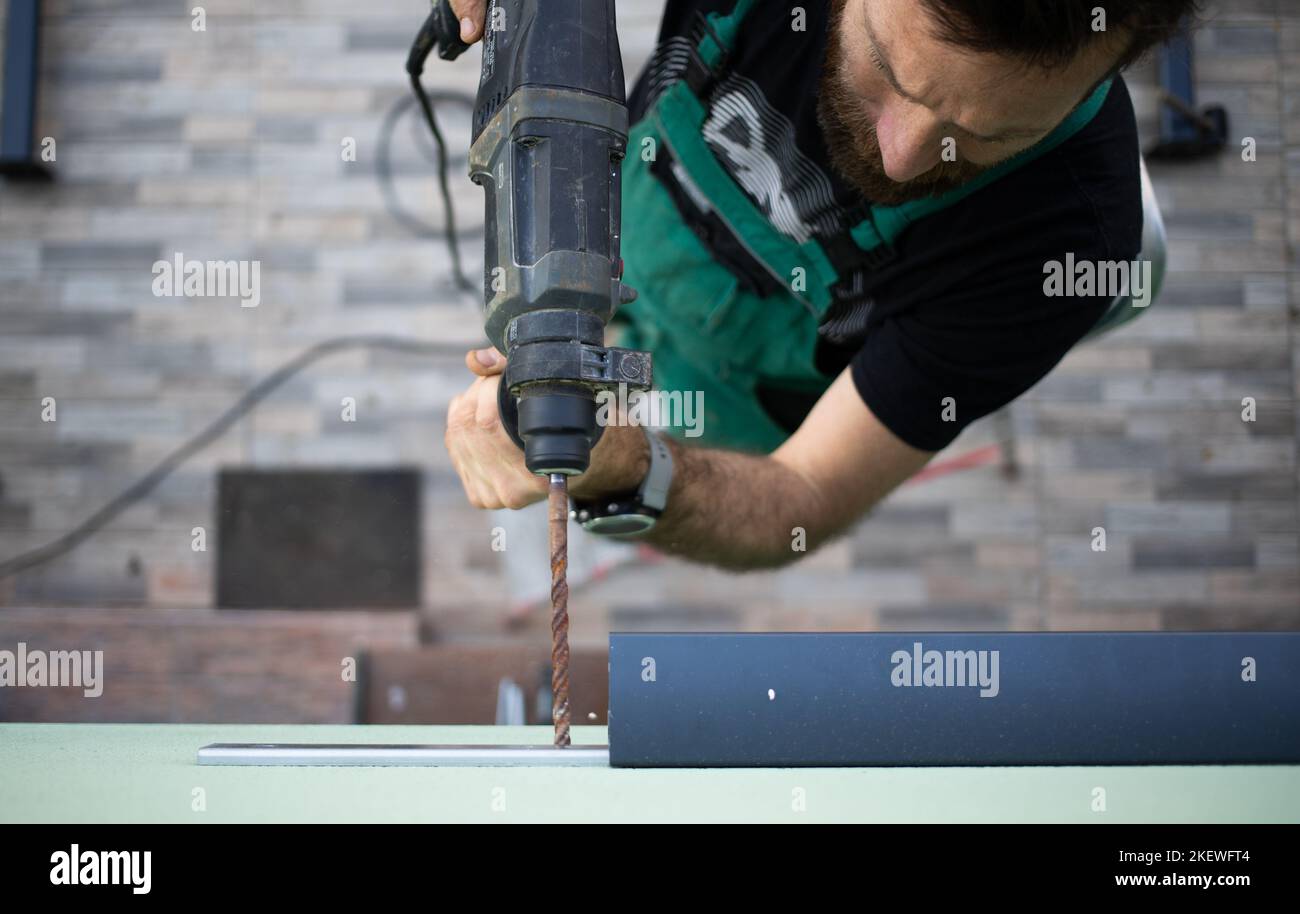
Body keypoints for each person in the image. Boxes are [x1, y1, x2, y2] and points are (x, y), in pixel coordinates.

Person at [443, 0, 1193, 569]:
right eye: (890, 73)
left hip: (735, 407)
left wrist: (625, 472)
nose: (902, 160)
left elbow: (802, 496)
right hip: (635, 238)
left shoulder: (1062, 240)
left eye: (991, 136)